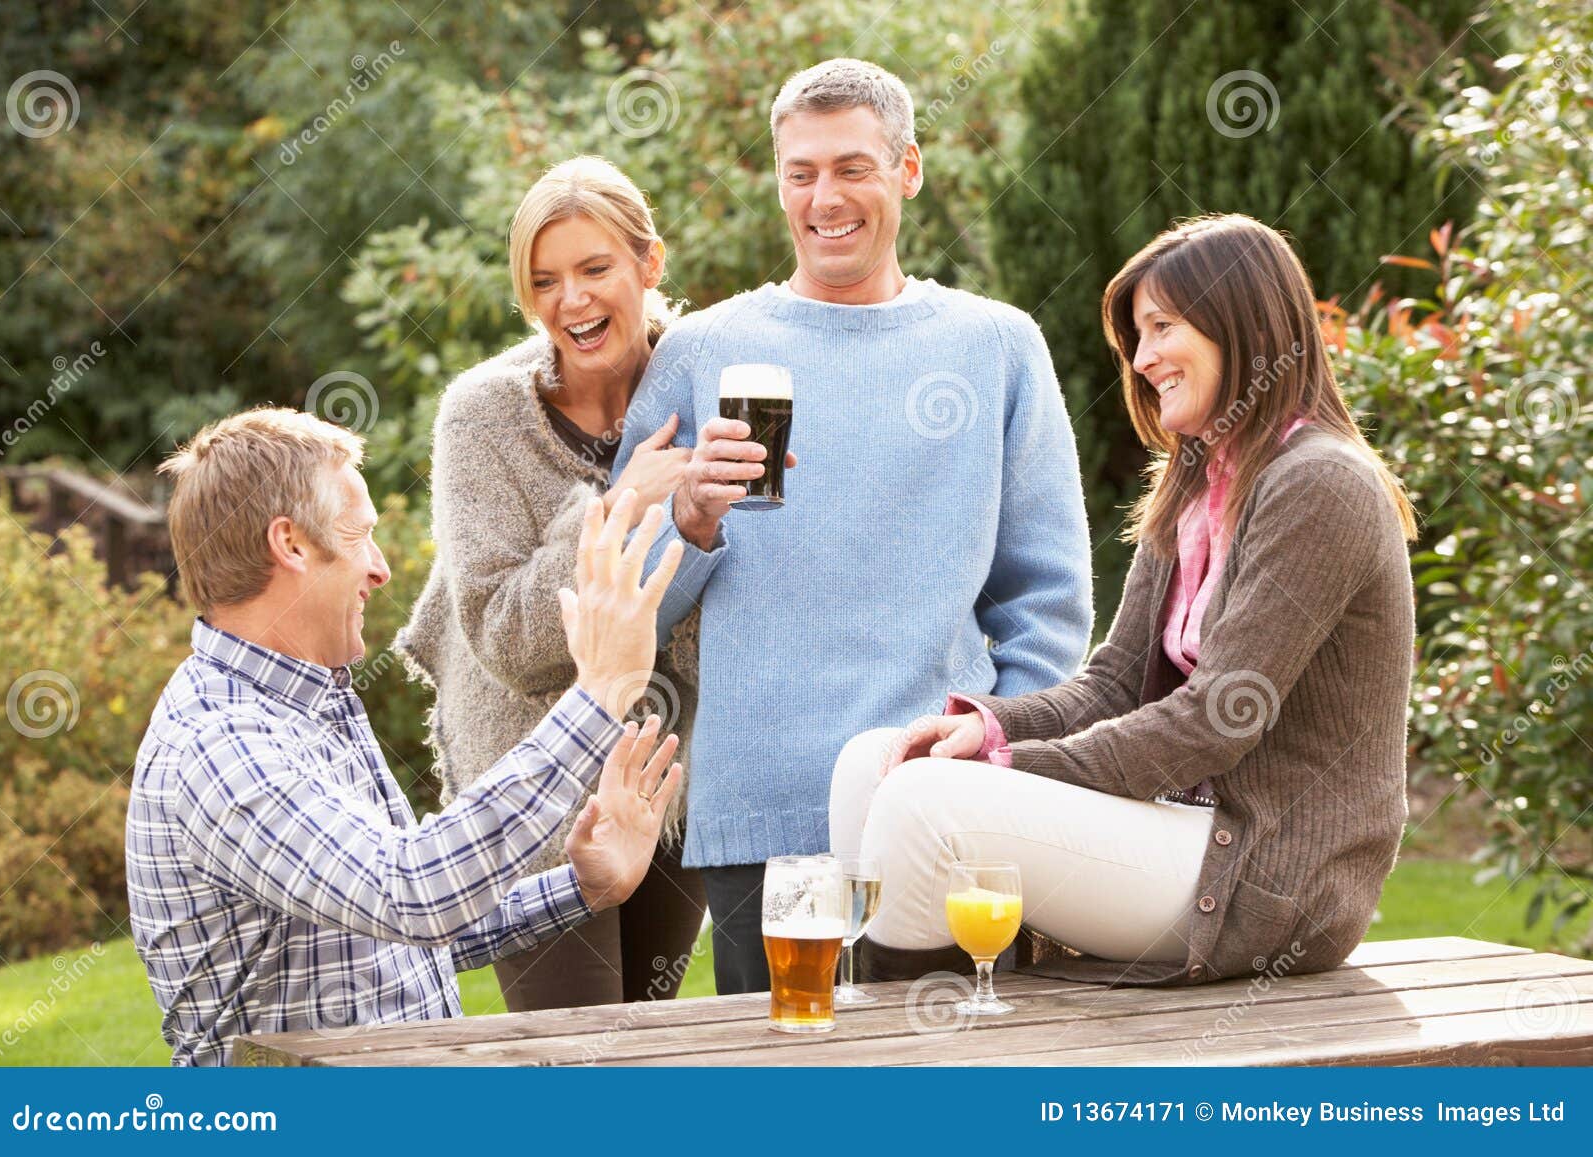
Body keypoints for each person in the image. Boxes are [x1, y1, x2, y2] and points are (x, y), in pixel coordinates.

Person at [829, 213, 1419, 987]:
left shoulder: (1319, 485)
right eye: (1137, 337)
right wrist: (989, 724)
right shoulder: (1197, 485)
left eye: (1163, 327)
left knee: (925, 806)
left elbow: (1216, 717)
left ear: (1240, 323)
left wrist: (1009, 765)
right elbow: (1111, 685)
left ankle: (897, 1062)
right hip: (1181, 830)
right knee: (872, 763)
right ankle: (917, 1032)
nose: (1143, 360)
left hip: (1265, 875)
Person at [612, 59, 1093, 994]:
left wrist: (996, 753)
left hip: (938, 809)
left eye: (852, 167)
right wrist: (691, 519)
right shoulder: (703, 352)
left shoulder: (995, 346)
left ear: (907, 169)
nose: (824, 197)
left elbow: (1051, 596)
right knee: (785, 1099)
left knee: (951, 1097)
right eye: (802, 173)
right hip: (767, 822)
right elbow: (624, 607)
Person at [126, 404, 685, 1065]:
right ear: (293, 544)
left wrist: (584, 886)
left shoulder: (307, 705)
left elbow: (400, 933)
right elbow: (412, 891)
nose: (381, 568)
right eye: (359, 535)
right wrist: (596, 695)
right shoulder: (220, 745)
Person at [396, 157, 707, 1011]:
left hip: (668, 777)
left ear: (650, 264)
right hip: (532, 791)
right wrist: (614, 506)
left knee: (646, 1041)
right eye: (544, 280)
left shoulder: (707, 381)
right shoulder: (483, 416)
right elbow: (505, 639)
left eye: (595, 268)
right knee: (572, 1063)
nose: (571, 300)